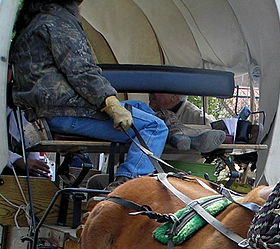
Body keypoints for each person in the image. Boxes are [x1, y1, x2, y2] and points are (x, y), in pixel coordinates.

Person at [10, 0, 168, 190]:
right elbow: (82, 72)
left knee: (141, 108)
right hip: (62, 112)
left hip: (49, 110)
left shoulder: (36, 20)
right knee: (155, 127)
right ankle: (126, 185)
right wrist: (110, 103)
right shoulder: (57, 22)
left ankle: (179, 135)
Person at [149, 93, 225, 153]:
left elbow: (217, 131)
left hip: (184, 166)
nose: (151, 94)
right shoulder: (146, 110)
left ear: (174, 96)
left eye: (158, 91)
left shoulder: (195, 115)